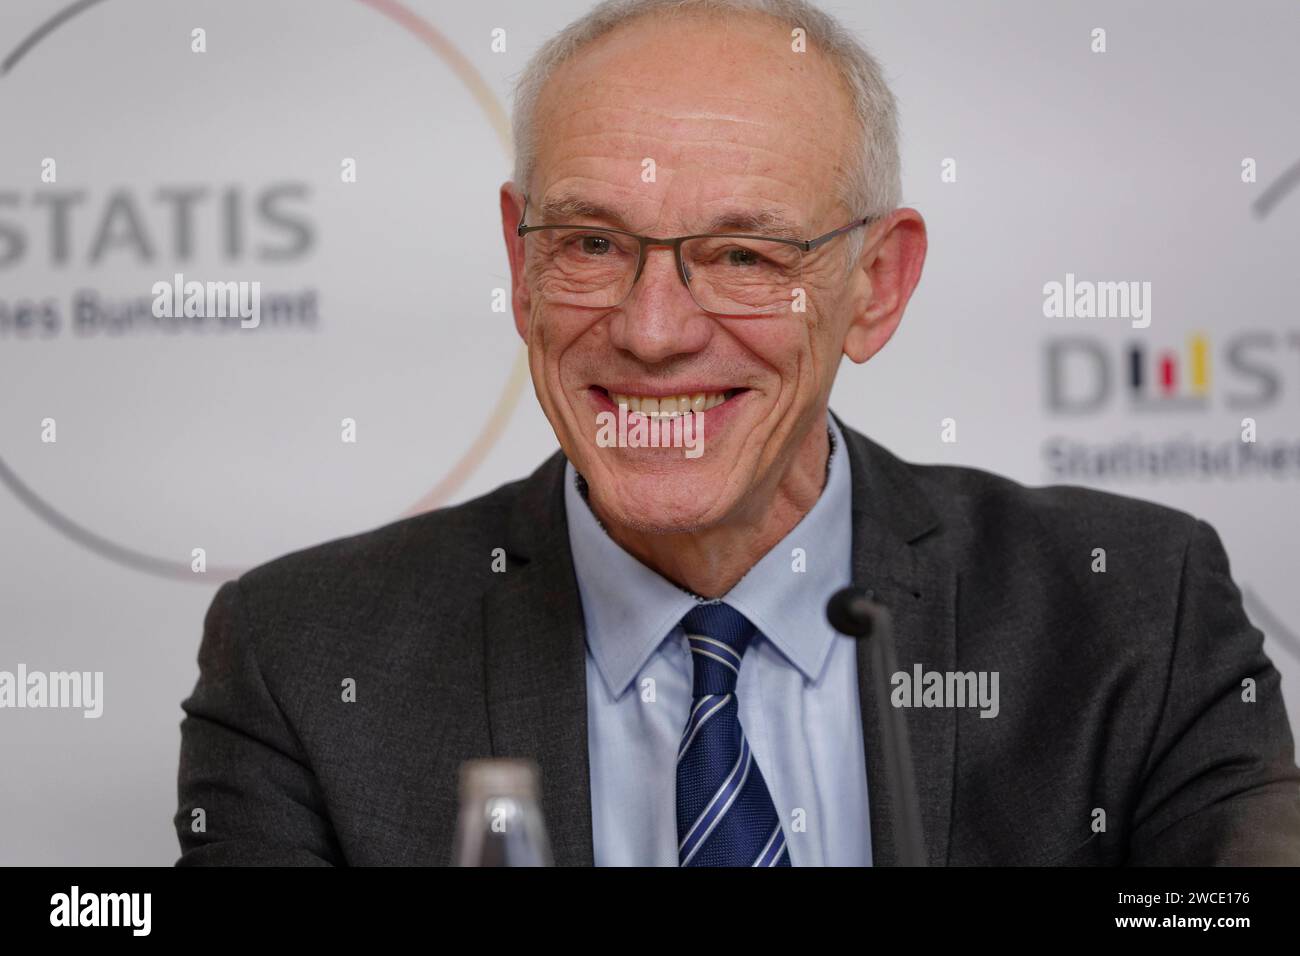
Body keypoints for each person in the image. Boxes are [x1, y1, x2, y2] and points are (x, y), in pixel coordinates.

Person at [174, 0, 1300, 866]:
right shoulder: (305, 659)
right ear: (521, 262)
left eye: (744, 256)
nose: (653, 332)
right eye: (593, 244)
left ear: (876, 285)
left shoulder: (1132, 612)